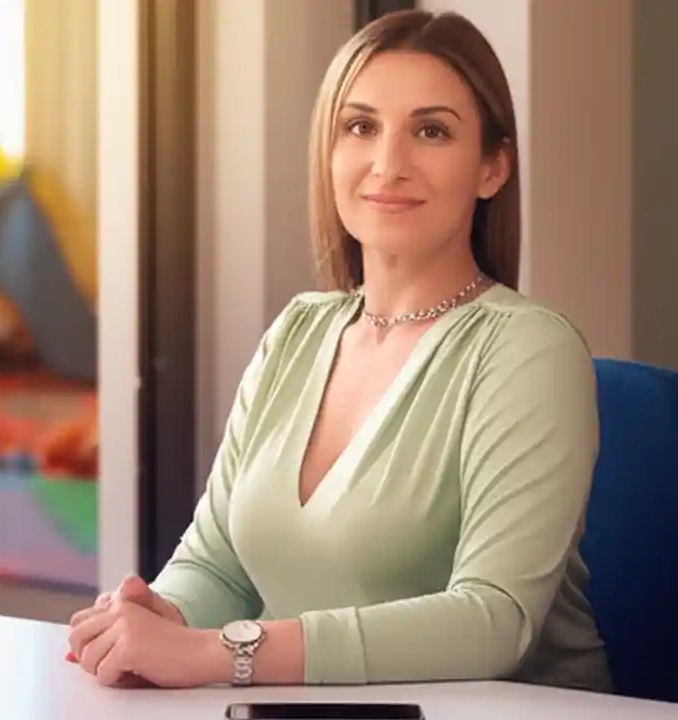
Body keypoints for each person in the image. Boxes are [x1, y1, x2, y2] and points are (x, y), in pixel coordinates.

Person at [66, 9, 613, 693]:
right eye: (360, 127)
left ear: (492, 168)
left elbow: (493, 619)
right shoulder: (298, 331)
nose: (388, 163)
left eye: (431, 131)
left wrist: (222, 653)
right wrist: (158, 619)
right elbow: (218, 564)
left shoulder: (530, 351)